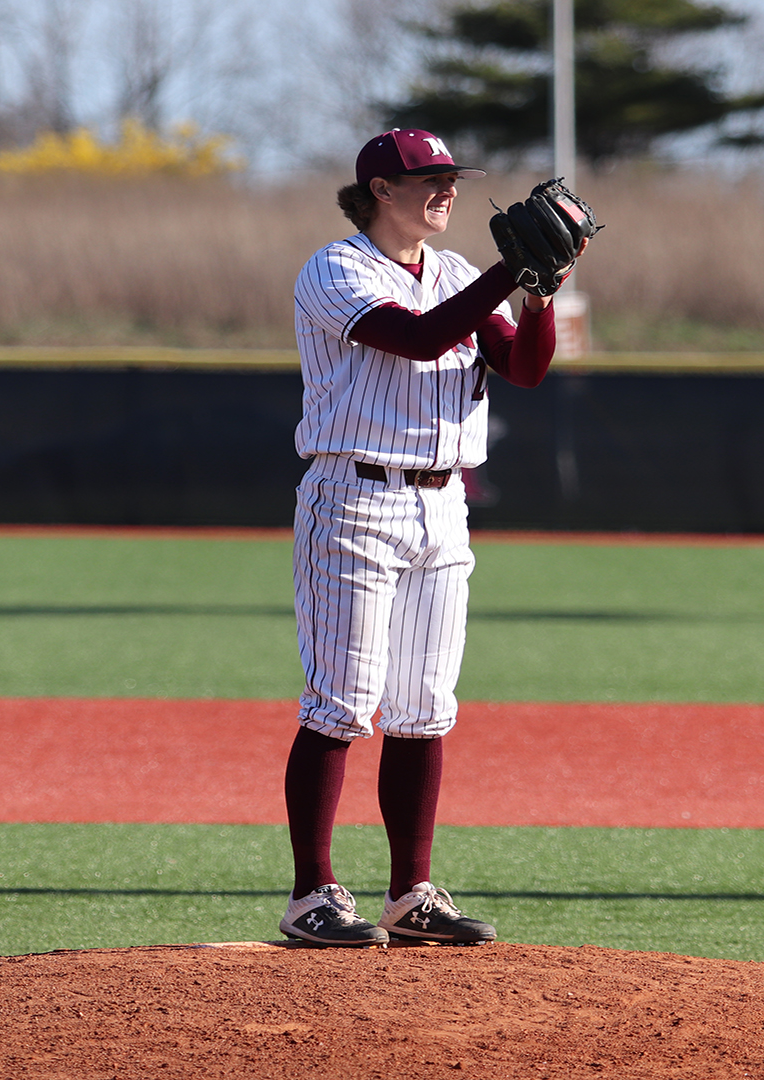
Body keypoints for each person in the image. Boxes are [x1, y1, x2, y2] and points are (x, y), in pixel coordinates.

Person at [279, 129, 572, 947]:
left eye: (453, 179)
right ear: (380, 188)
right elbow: (415, 338)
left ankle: (412, 895)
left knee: (425, 708)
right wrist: (505, 274)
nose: (448, 192)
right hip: (354, 497)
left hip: (444, 507)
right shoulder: (335, 268)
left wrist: (536, 296)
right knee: (340, 702)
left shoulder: (448, 272)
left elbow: (525, 371)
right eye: (430, 180)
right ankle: (312, 895)